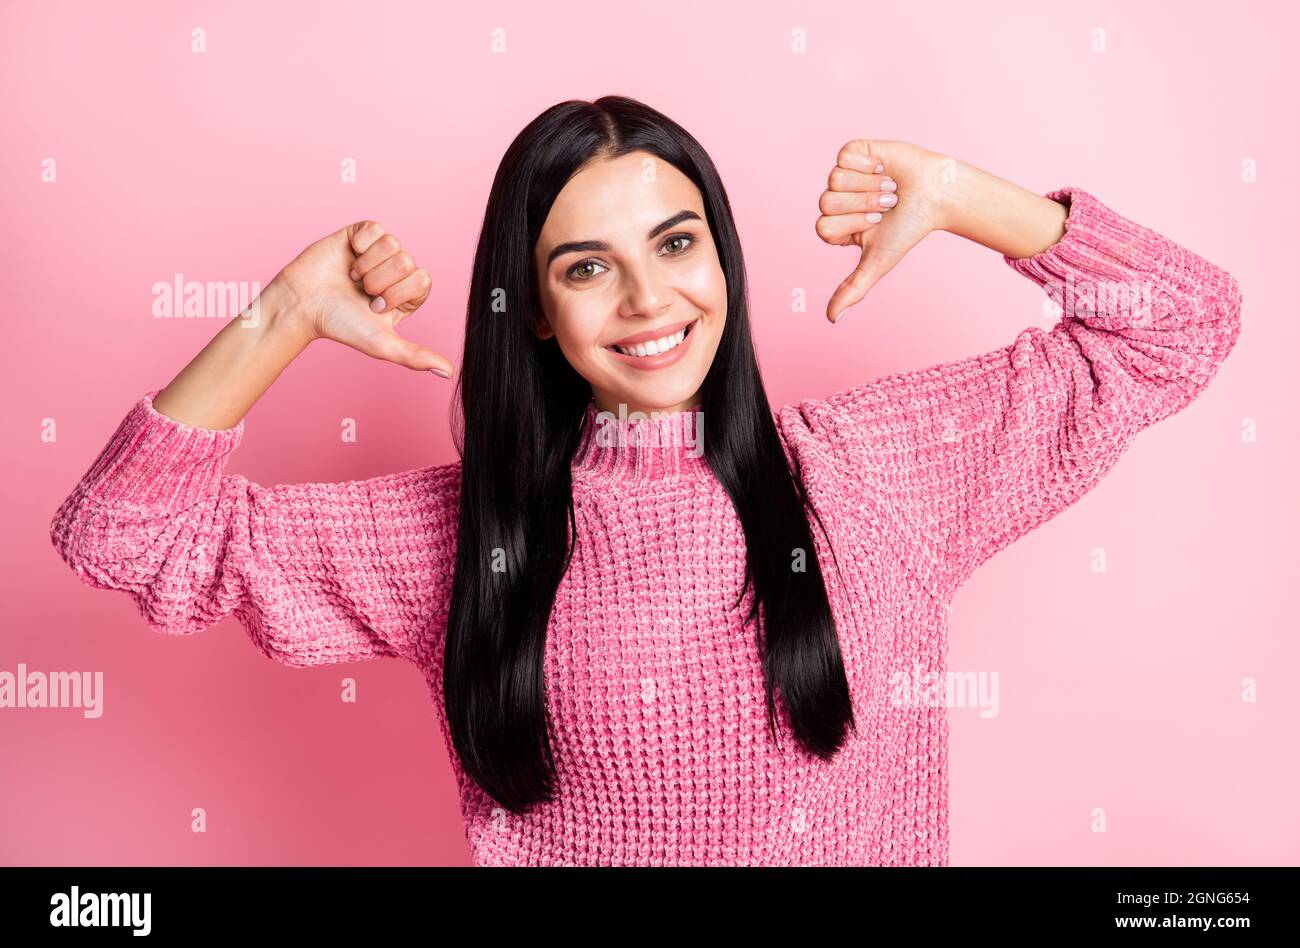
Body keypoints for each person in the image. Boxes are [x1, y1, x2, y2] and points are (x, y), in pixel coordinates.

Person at [49, 95, 1243, 866]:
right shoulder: (464, 534)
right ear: (529, 314)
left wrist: (960, 195)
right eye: (586, 267)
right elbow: (125, 535)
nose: (649, 301)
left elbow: (1184, 323)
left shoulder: (871, 470)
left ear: (720, 254)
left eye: (676, 244)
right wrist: (286, 312)